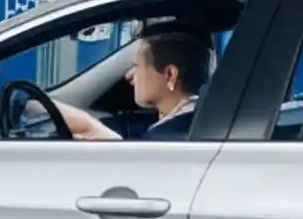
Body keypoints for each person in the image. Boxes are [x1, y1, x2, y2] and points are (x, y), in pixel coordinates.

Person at [57, 29, 213, 141]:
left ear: (170, 75)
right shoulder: (195, 123)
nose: (129, 75)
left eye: (136, 66)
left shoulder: (168, 138)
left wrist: (93, 129)